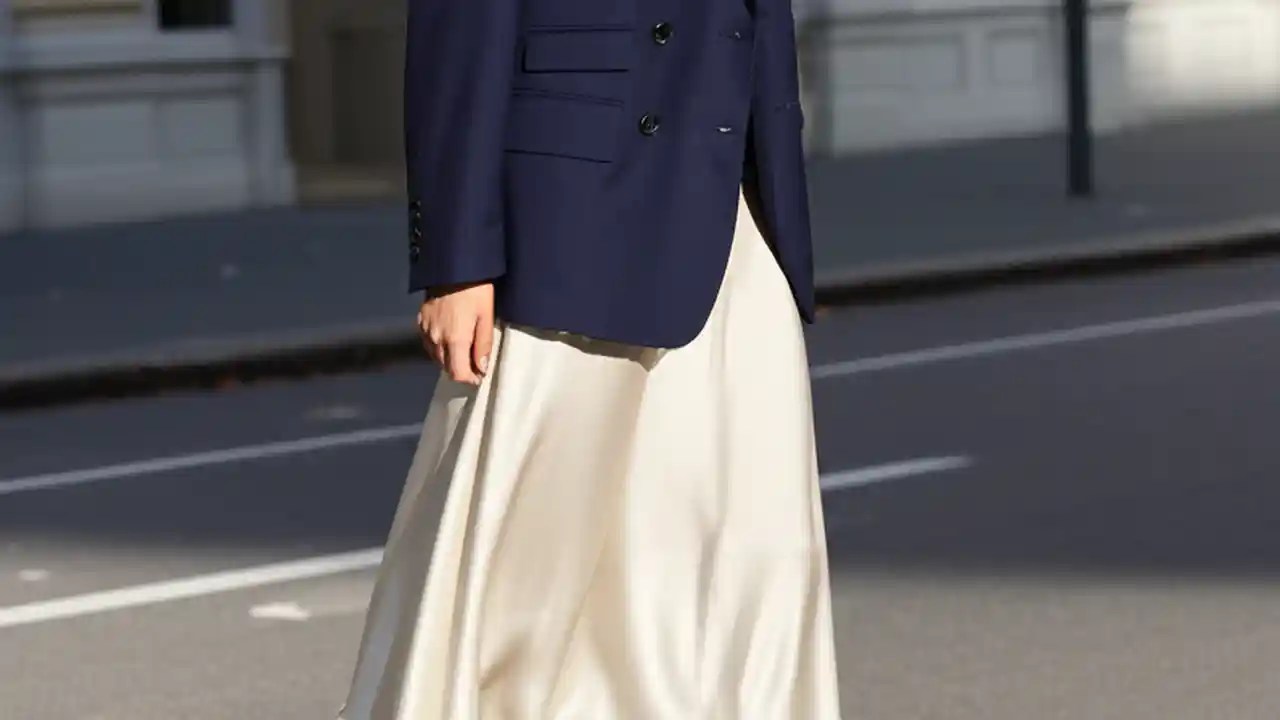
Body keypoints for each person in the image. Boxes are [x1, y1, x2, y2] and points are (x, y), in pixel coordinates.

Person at [338, 0, 841, 717]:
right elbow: (460, 30)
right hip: (575, 203)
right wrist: (458, 260)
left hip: (735, 197)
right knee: (524, 560)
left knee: (752, 542)